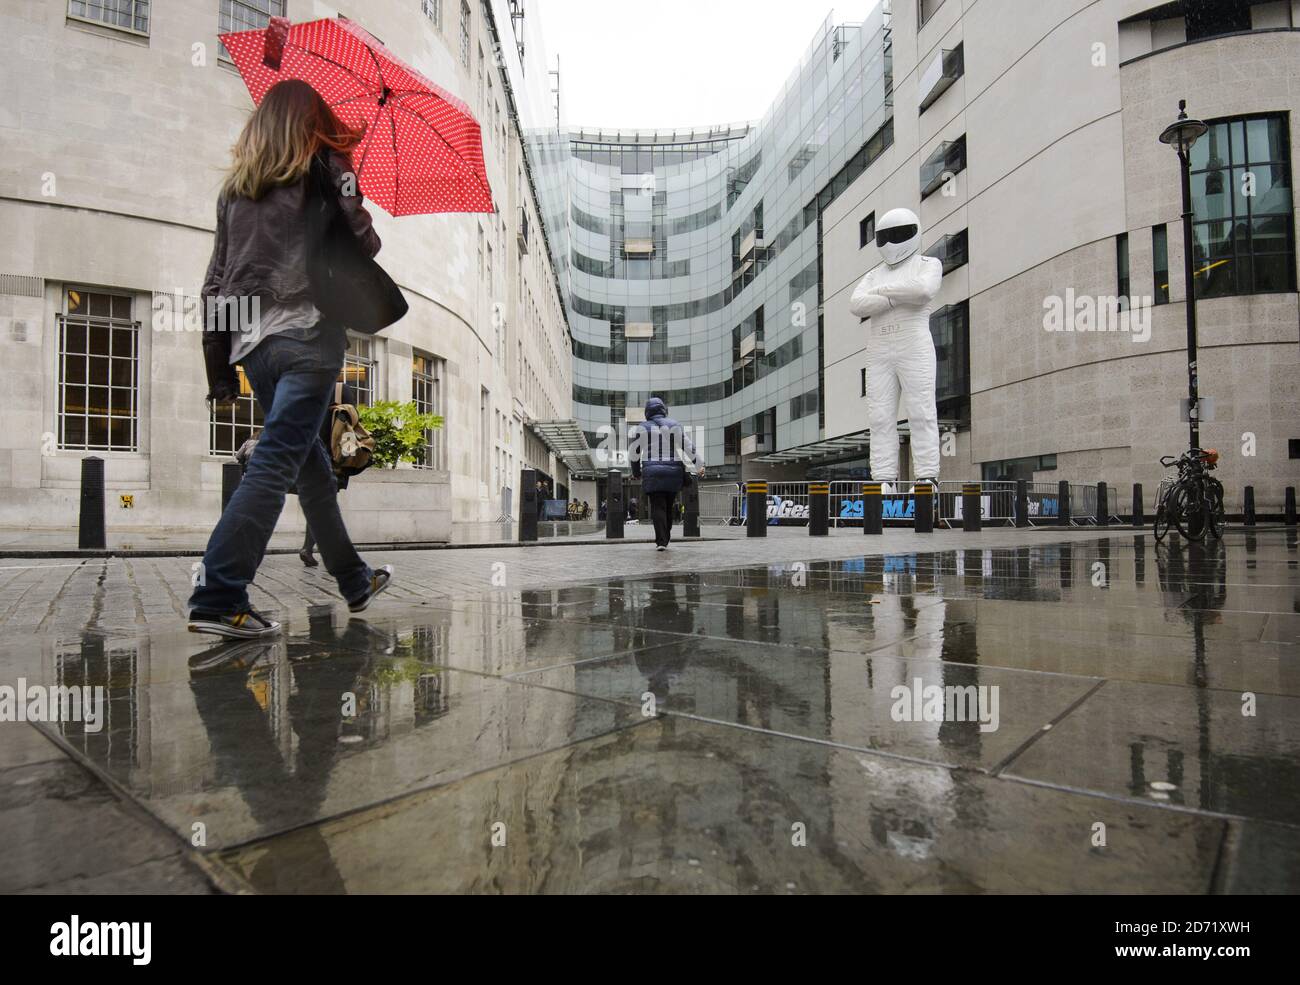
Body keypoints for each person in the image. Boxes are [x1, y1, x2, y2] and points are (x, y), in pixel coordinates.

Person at [190, 79, 392, 639]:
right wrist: (346, 175)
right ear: (313, 122)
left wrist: (219, 366)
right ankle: (219, 594)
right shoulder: (325, 166)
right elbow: (366, 246)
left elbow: (215, 282)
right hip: (306, 338)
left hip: (255, 349)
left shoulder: (235, 190)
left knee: (314, 471)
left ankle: (354, 580)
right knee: (277, 461)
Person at [848, 207, 943, 492]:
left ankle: (927, 476)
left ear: (913, 232)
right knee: (879, 416)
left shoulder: (928, 263)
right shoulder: (874, 274)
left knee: (921, 410)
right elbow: (856, 304)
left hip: (913, 342)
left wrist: (882, 294)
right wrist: (897, 297)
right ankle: (884, 478)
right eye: (885, 236)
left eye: (897, 235)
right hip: (878, 349)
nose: (890, 242)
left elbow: (924, 291)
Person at [629, 396, 702, 551]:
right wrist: (699, 464)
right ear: (663, 409)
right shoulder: (674, 425)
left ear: (647, 412)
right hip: (673, 472)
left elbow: (634, 453)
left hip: (652, 471)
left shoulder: (642, 428)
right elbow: (688, 446)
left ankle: (661, 540)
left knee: (657, 506)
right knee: (668, 506)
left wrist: (636, 472)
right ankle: (665, 537)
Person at [300, 379, 356, 567]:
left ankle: (311, 548)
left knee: (319, 503)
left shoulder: (306, 388)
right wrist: (348, 460)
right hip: (333, 458)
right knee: (325, 505)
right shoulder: (341, 390)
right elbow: (350, 427)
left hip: (308, 455)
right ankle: (320, 550)